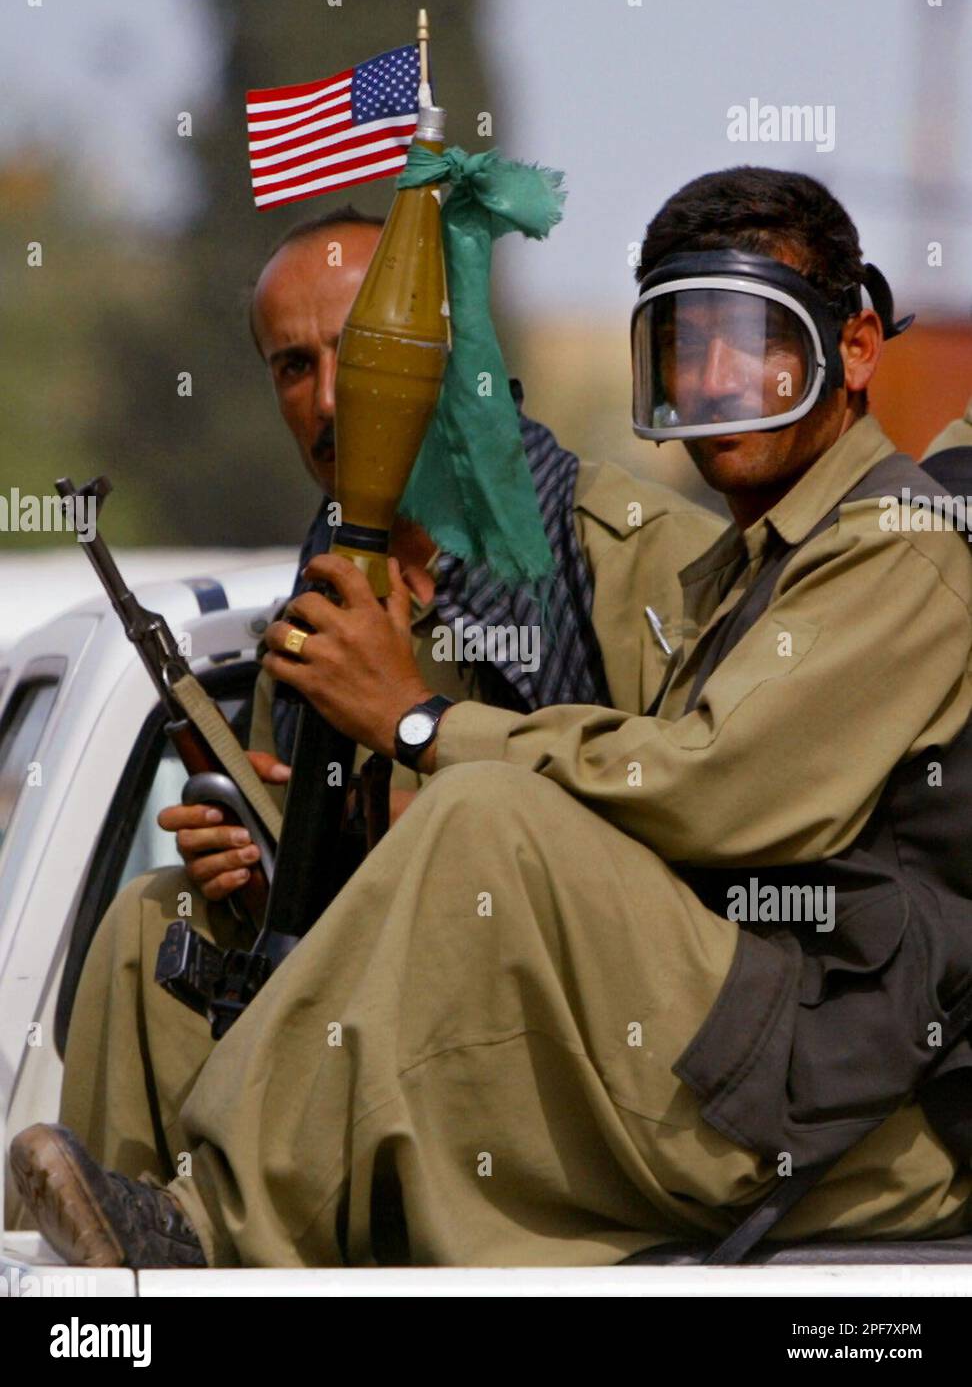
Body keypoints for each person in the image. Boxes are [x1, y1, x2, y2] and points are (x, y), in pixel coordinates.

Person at [24, 165, 967, 1272]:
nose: (714, 378)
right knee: (163, 930)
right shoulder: (739, 569)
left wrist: (420, 726)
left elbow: (705, 798)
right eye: (683, 344)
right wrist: (291, 853)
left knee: (486, 819)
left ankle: (209, 1232)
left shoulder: (869, 544)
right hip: (710, 1034)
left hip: (833, 1082)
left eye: (751, 337)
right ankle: (115, 1269)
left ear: (851, 349)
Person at [47, 205, 725, 1196]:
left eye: (361, 351)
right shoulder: (316, 606)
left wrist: (426, 746)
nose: (330, 400)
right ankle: (130, 1272)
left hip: (590, 1040)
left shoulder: (632, 561)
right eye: (292, 367)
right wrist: (257, 856)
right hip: (381, 1018)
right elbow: (319, 905)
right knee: (157, 924)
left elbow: (708, 825)